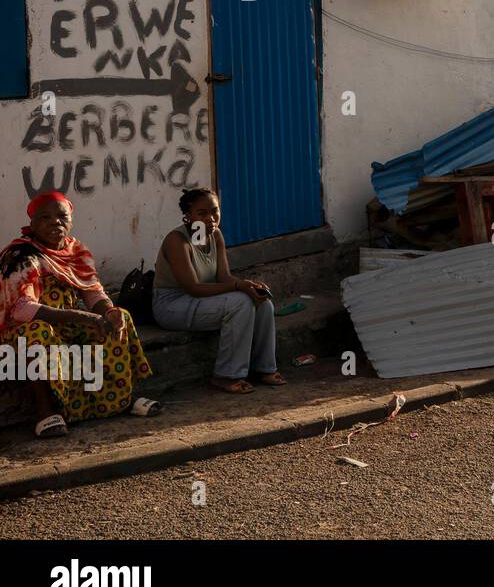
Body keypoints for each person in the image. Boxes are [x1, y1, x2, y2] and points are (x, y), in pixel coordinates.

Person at [0, 191, 156, 438]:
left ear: (71, 220)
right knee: (37, 332)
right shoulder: (20, 256)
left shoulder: (76, 251)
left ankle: (121, 398)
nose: (55, 222)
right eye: (45, 217)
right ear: (32, 224)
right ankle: (46, 411)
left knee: (121, 317)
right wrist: (85, 318)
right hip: (20, 331)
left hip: (67, 324)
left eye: (62, 216)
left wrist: (108, 311)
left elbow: (93, 293)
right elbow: (21, 310)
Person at [152, 188, 284, 394]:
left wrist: (248, 285)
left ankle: (263, 368)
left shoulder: (216, 236)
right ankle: (226, 375)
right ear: (188, 216)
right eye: (201, 213)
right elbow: (192, 288)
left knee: (262, 301)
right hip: (172, 305)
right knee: (240, 303)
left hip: (203, 300)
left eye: (214, 212)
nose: (210, 219)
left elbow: (224, 278)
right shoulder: (176, 241)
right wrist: (238, 286)